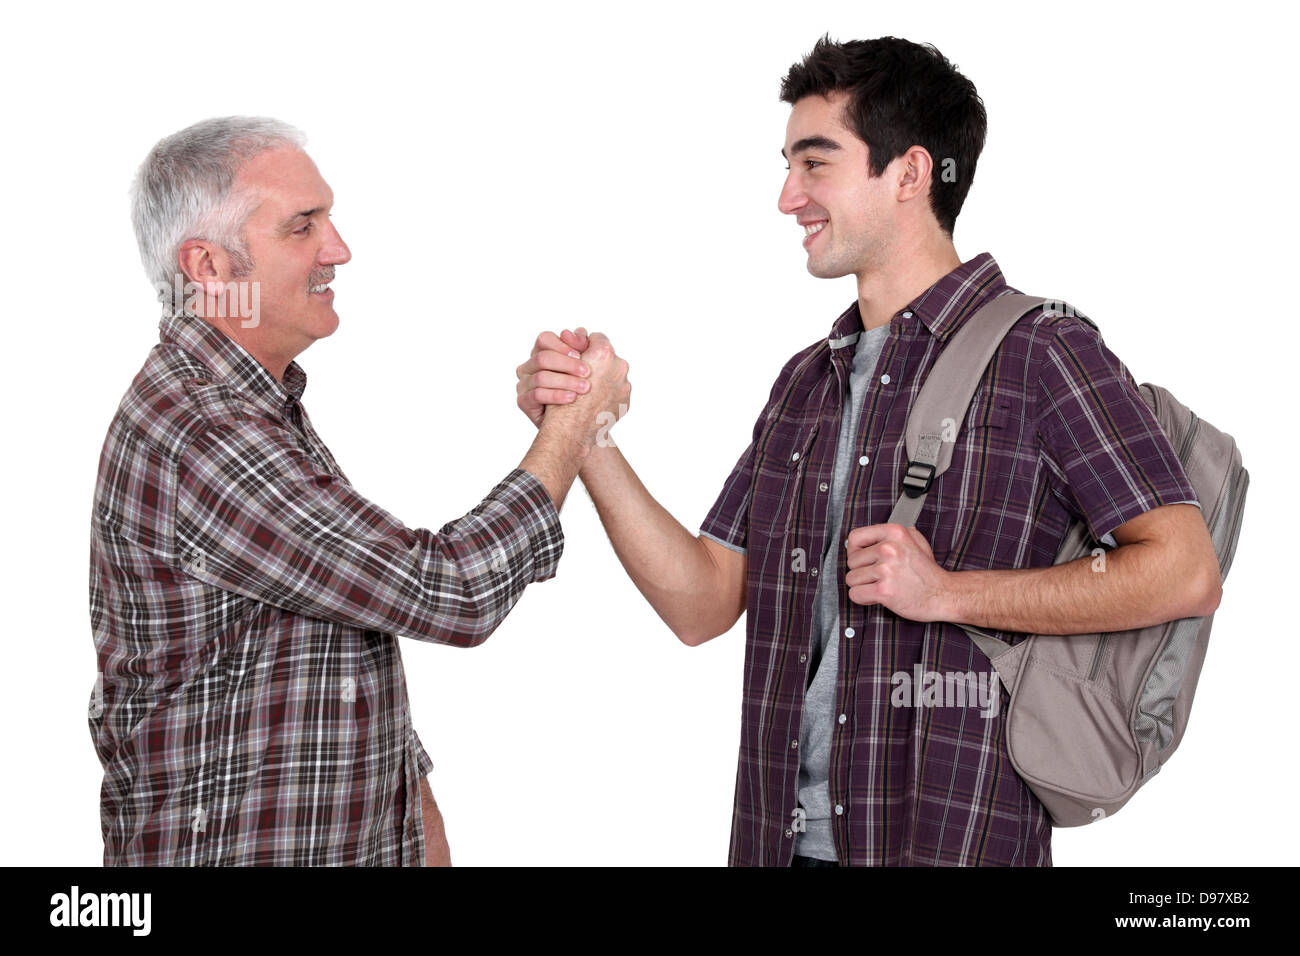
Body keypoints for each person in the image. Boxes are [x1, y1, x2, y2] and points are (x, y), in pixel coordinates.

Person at [515, 36, 1221, 866]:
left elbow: (1184, 569)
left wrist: (949, 593)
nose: (787, 196)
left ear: (911, 173)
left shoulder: (1043, 354)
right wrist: (582, 433)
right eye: (787, 165)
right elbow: (703, 603)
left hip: (946, 845)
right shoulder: (808, 383)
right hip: (782, 845)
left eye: (816, 164)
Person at [88, 116, 629, 866]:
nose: (338, 249)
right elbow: (451, 591)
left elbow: (338, 649)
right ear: (206, 267)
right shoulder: (206, 433)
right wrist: (567, 431)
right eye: (302, 227)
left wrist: (422, 836)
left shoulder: (251, 407)